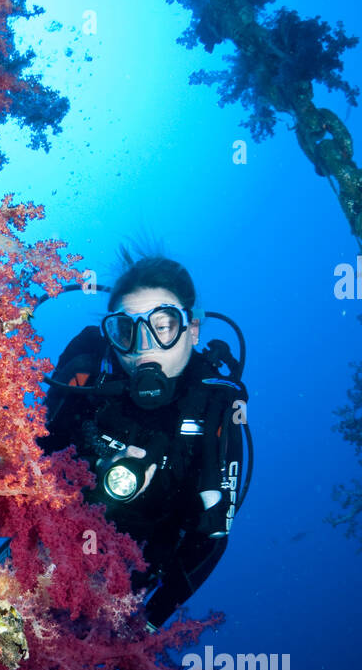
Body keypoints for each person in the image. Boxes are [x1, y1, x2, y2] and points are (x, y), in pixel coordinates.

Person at [40, 252, 247, 629]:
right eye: (125, 329)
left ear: (193, 328)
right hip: (46, 546)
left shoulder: (216, 408)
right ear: (111, 334)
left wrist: (147, 624)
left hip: (126, 583)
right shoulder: (86, 375)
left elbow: (213, 535)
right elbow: (30, 457)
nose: (143, 346)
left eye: (163, 325)